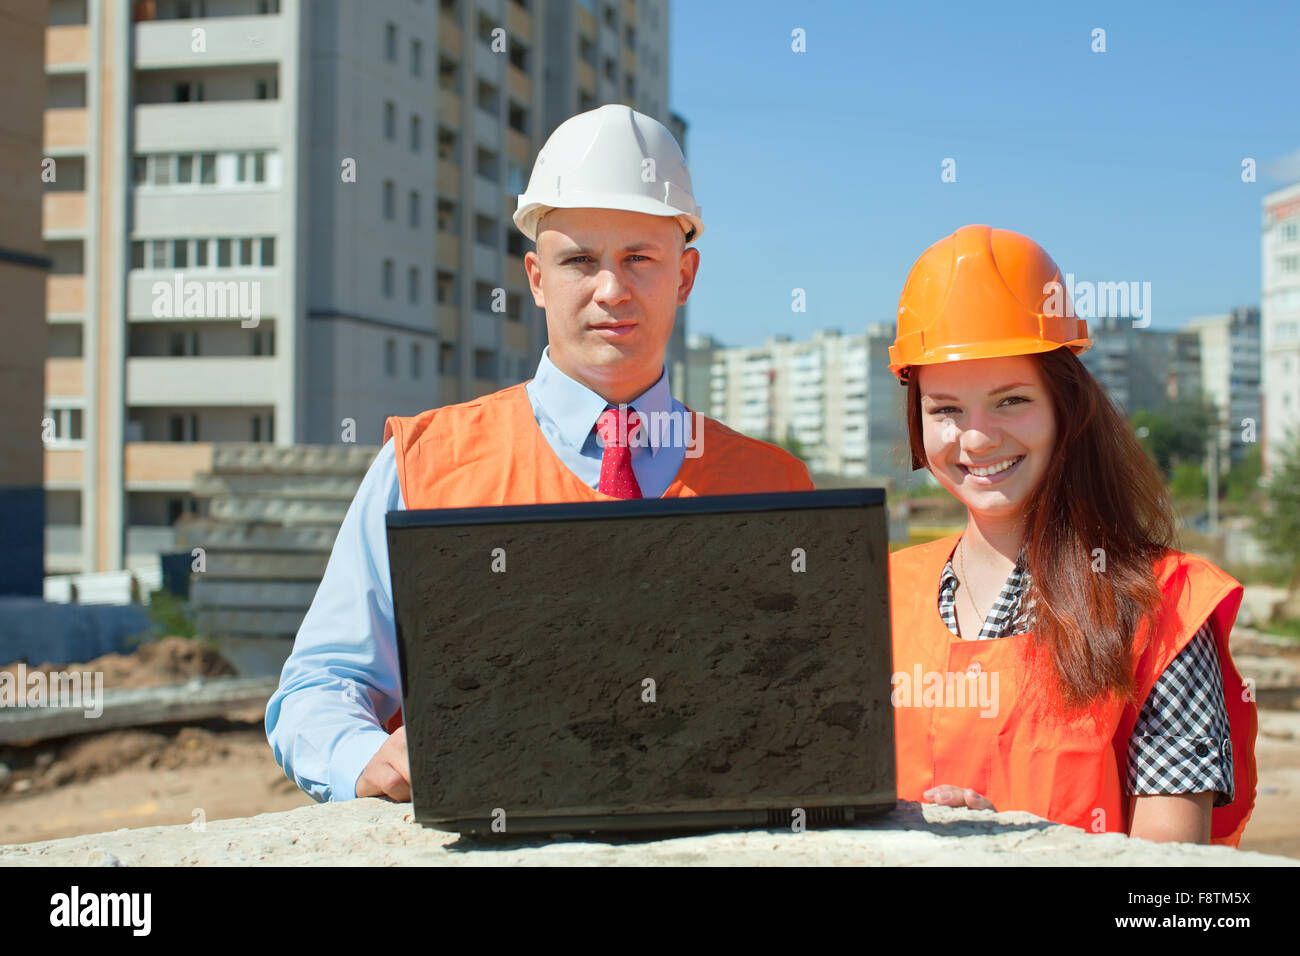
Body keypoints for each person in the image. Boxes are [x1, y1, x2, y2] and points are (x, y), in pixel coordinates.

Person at [265, 105, 815, 803]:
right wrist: (360, 756)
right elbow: (321, 682)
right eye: (579, 260)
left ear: (684, 276)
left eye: (639, 259)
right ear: (535, 277)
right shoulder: (426, 465)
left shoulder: (776, 486)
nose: (610, 290)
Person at [886, 224, 1257, 846]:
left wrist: (1014, 848)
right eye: (946, 408)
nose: (976, 439)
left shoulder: (1161, 608)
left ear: (1066, 407)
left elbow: (1167, 885)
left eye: (1009, 401)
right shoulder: (882, 594)